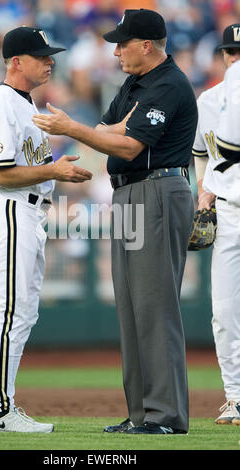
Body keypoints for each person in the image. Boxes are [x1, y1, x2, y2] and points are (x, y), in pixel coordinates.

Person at [33, 9, 197, 434]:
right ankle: (142, 413)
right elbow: (109, 128)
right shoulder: (134, 84)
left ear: (147, 45)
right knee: (130, 306)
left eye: (123, 42)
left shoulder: (169, 84)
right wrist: (95, 132)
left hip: (158, 189)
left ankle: (165, 416)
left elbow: (125, 144)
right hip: (130, 192)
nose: (116, 48)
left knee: (154, 307)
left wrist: (72, 127)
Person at [0, 26, 92, 433]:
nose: (50, 61)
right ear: (16, 61)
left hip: (29, 213)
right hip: (9, 209)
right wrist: (52, 169)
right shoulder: (0, 103)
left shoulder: (27, 105)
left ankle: (3, 408)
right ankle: (0, 412)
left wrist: (57, 170)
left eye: (50, 55)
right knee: (8, 312)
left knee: (22, 313)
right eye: (41, 56)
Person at [193, 23, 240, 425]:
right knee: (224, 311)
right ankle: (235, 396)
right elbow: (200, 155)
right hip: (227, 211)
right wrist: (204, 190)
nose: (236, 59)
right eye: (232, 52)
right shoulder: (208, 101)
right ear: (224, 56)